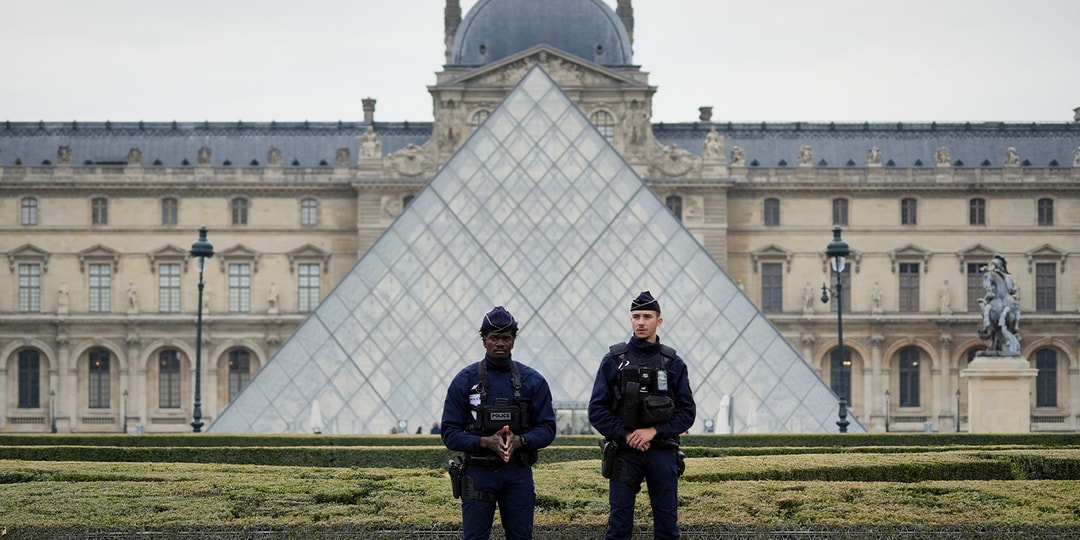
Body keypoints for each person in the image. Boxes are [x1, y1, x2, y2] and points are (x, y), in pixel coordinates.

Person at [441, 306, 557, 540]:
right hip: (478, 473)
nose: (500, 343)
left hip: (518, 473)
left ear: (514, 340)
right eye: (494, 338)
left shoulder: (533, 381)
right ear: (484, 340)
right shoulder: (464, 381)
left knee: (521, 536)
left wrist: (520, 441)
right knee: (474, 537)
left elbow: (547, 429)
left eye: (506, 338)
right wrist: (485, 442)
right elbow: (449, 433)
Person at [589, 291, 696, 540]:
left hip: (662, 452)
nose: (640, 321)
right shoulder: (613, 360)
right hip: (625, 453)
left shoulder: (673, 363)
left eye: (647, 316)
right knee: (618, 528)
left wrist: (653, 431)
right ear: (630, 320)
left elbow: (688, 413)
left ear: (659, 321)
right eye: (636, 316)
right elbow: (596, 411)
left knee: (668, 529)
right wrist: (627, 436)